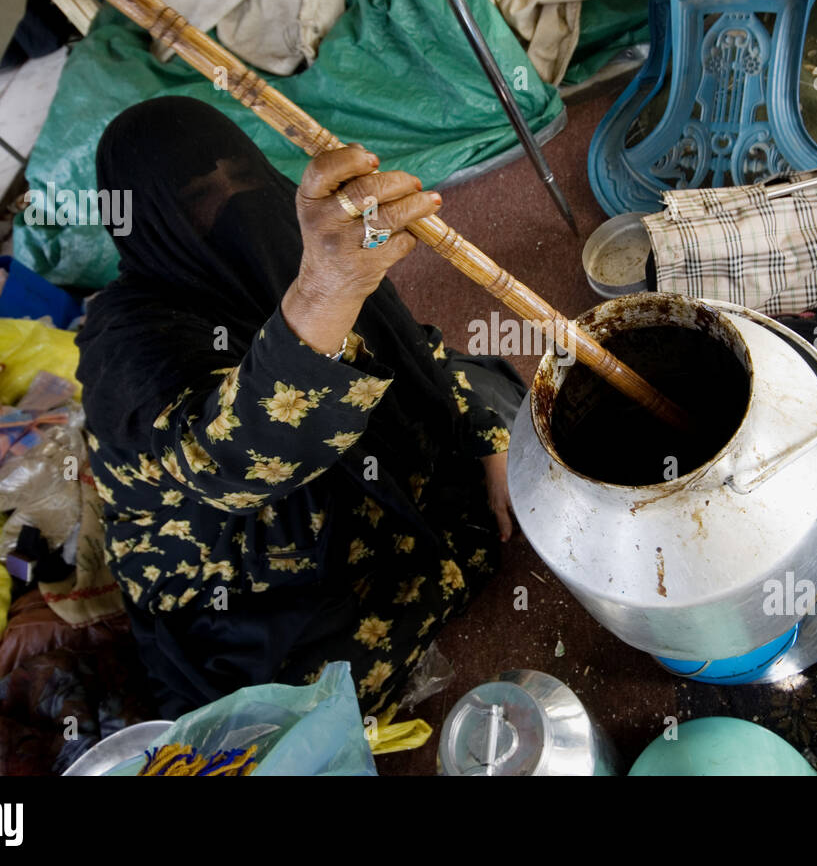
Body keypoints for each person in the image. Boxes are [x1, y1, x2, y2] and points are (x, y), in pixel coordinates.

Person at [77, 96, 523, 718]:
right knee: (304, 696)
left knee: (495, 400)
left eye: (243, 172)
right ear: (151, 220)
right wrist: (325, 289)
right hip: (258, 562)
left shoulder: (288, 238)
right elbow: (231, 462)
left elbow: (410, 344)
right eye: (202, 193)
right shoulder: (126, 349)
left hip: (358, 469)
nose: (237, 198)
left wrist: (485, 438)